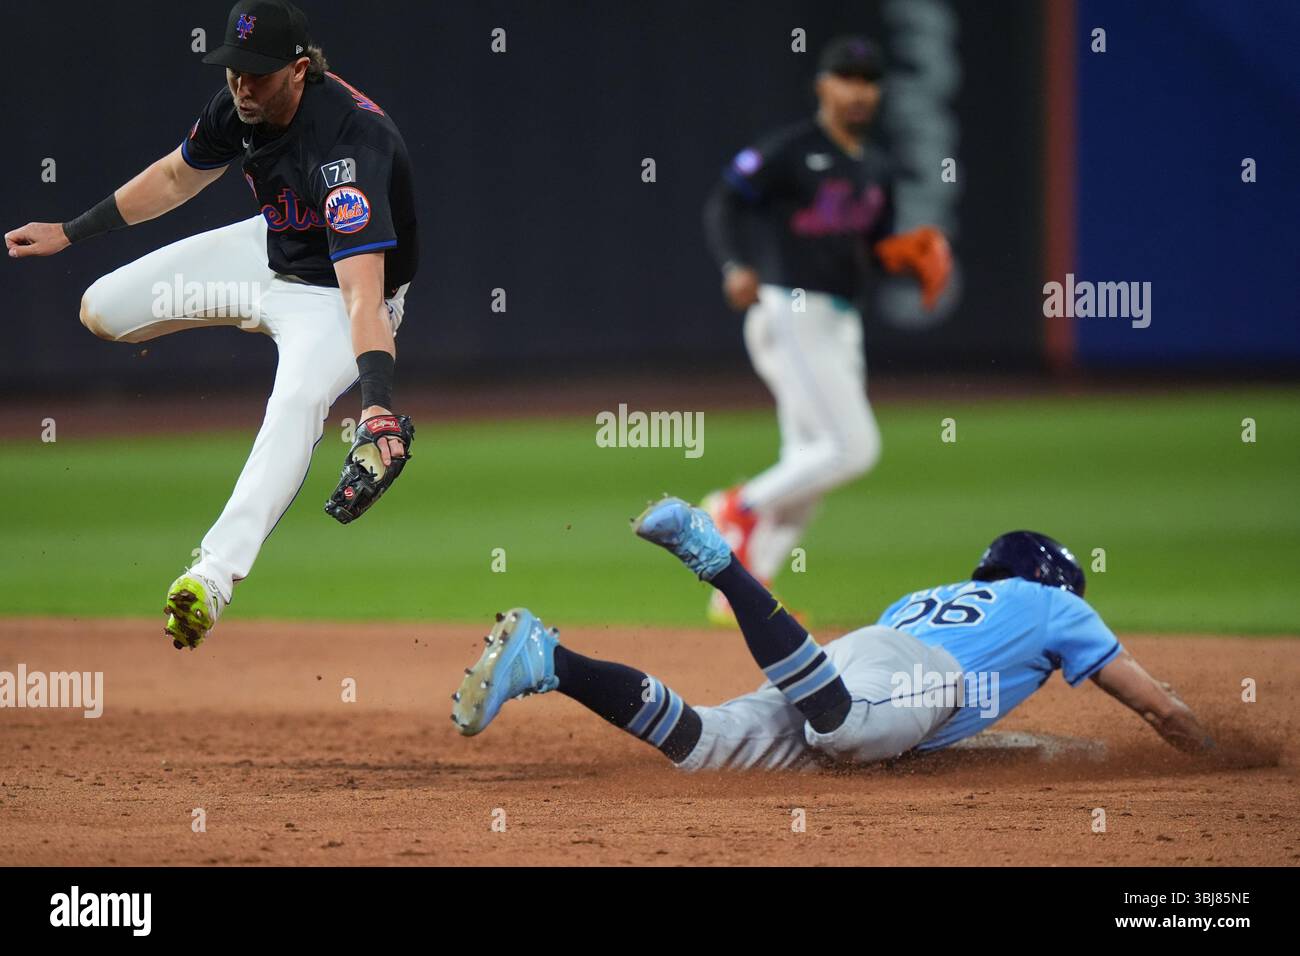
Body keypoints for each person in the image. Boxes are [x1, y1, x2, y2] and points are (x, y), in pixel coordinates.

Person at [4, 0, 418, 649]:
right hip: (266, 253)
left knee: (296, 405)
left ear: (300, 70)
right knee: (100, 309)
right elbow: (175, 177)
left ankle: (211, 577)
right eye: (234, 71)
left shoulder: (349, 148)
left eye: (257, 74)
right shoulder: (241, 107)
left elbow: (363, 297)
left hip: (336, 299)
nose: (240, 85)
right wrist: (69, 231)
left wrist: (378, 409)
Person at [450, 497, 1214, 771]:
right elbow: (1157, 707)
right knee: (845, 733)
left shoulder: (929, 593)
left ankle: (551, 660)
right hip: (917, 676)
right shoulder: (1057, 608)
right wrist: (1218, 757)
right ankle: (718, 560)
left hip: (853, 656)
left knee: (706, 747)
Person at [701, 35, 952, 624]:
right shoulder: (791, 151)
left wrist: (906, 255)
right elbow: (724, 202)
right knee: (853, 448)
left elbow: (872, 249)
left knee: (810, 463)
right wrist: (736, 264)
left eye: (868, 81)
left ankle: (740, 590)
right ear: (823, 85)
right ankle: (735, 506)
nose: (858, 91)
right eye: (847, 79)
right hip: (790, 309)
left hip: (841, 319)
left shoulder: (878, 166)